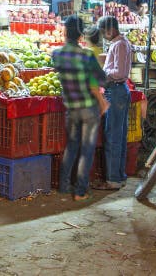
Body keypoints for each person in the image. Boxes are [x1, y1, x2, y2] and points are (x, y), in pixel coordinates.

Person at [52, 15, 109, 201]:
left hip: (71, 108)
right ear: (81, 34)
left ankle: (63, 186)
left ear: (66, 32)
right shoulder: (86, 55)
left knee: (71, 146)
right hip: (88, 109)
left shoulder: (57, 54)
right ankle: (80, 191)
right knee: (86, 151)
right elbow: (100, 80)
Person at [96, 15, 133, 190]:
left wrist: (104, 74)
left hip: (116, 91)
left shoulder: (119, 45)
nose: (104, 36)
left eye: (104, 33)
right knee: (120, 135)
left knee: (113, 136)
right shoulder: (121, 44)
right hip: (119, 91)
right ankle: (119, 176)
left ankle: (112, 180)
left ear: (110, 30)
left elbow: (119, 72)